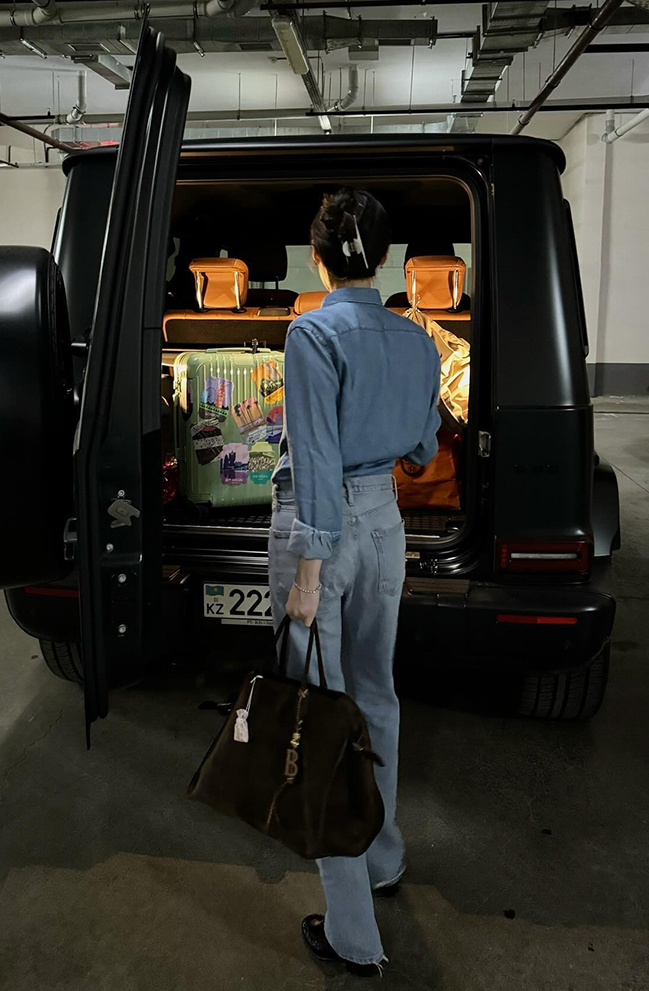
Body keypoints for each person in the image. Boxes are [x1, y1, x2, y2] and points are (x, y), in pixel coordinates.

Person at [269, 188, 442, 977]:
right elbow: (423, 448)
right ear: (386, 258)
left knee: (321, 714)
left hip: (323, 531)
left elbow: (312, 454)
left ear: (317, 258)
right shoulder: (416, 338)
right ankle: (382, 855)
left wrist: (308, 570)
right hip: (383, 528)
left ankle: (353, 935)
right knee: (376, 698)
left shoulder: (311, 332)